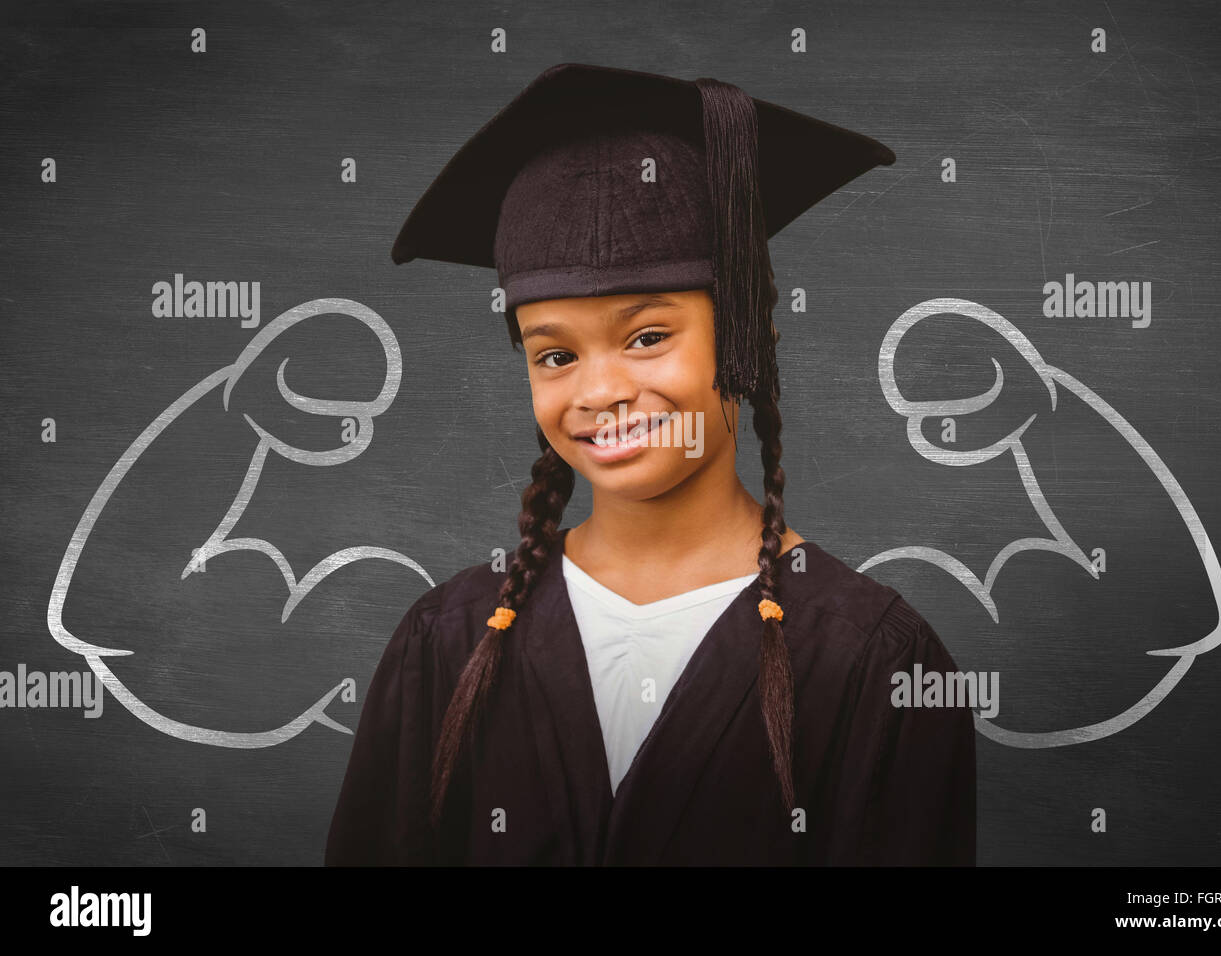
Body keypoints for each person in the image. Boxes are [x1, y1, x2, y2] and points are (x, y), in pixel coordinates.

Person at [324, 62, 975, 865]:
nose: (600, 390)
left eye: (647, 337)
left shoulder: (873, 660)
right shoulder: (450, 643)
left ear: (747, 338)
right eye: (555, 354)